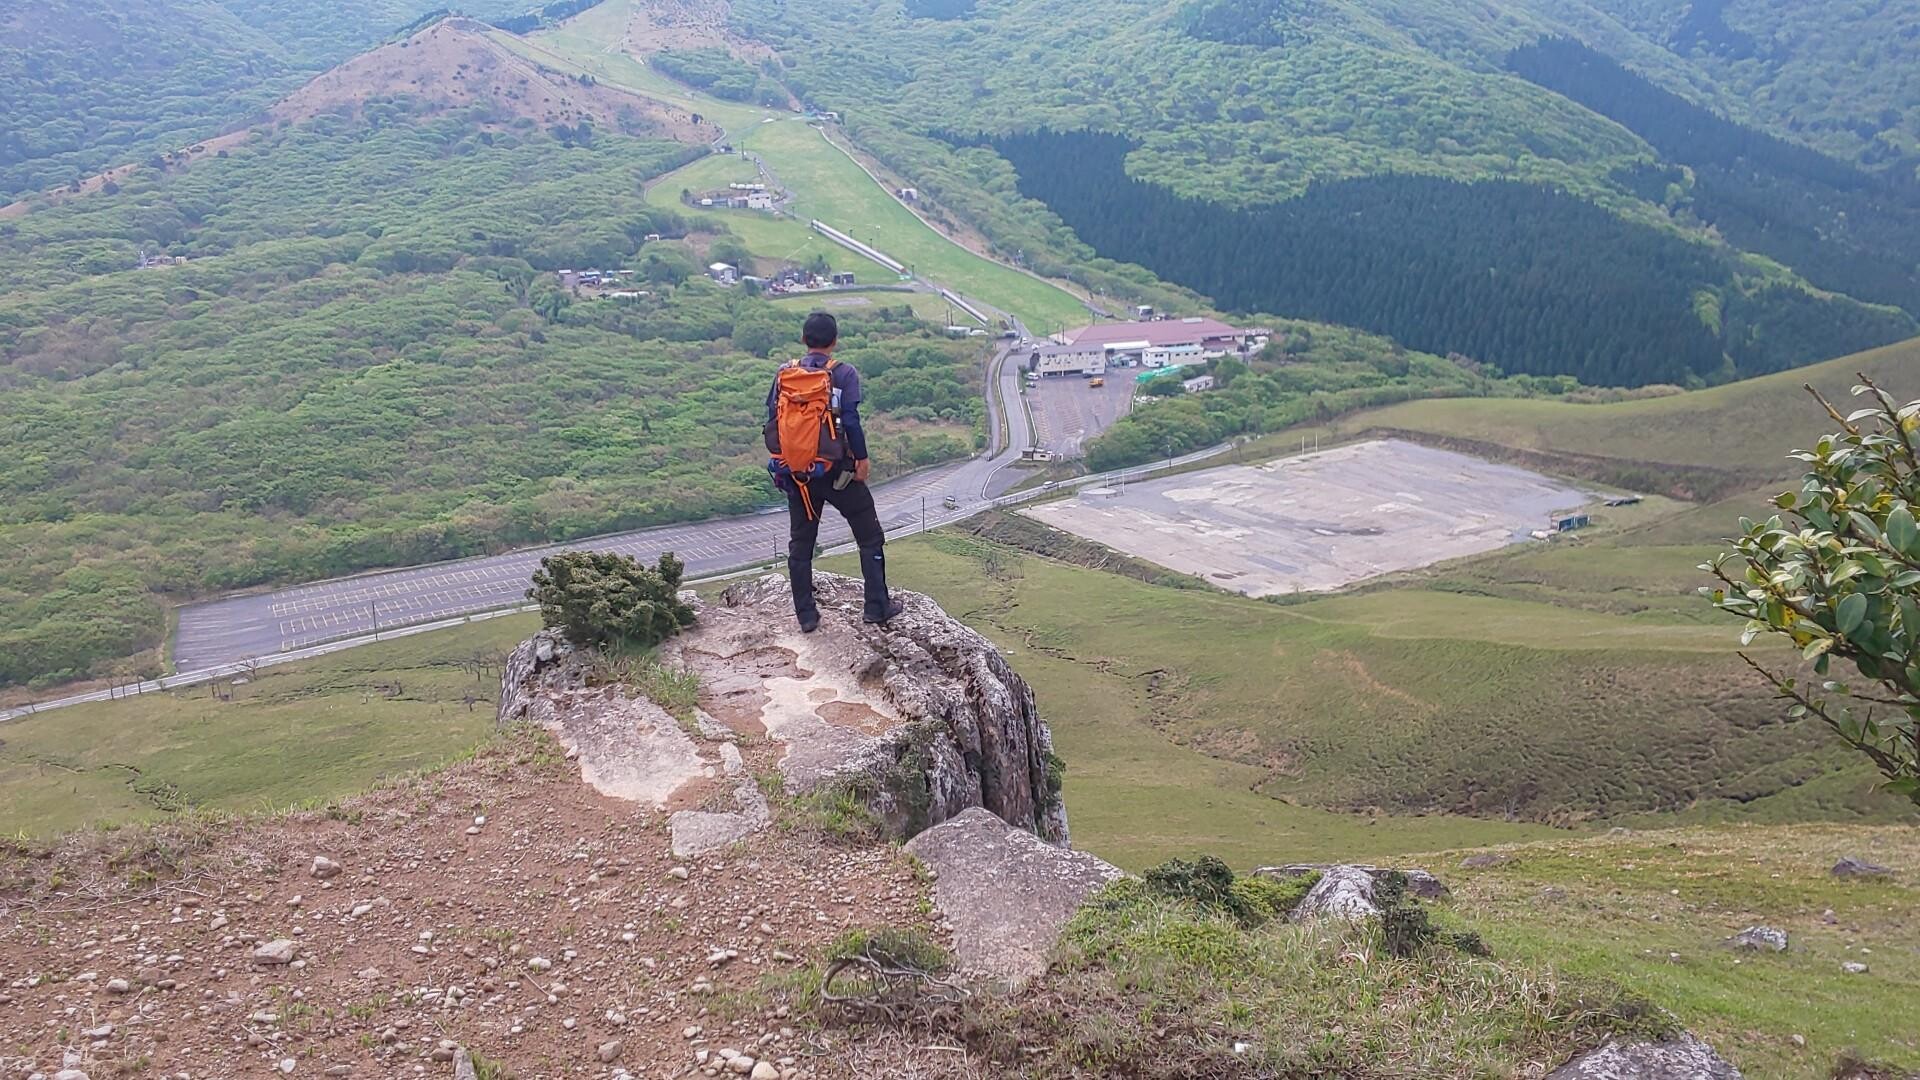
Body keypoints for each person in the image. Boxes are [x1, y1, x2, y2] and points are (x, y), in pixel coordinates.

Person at [765, 312, 903, 632]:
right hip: (838, 473)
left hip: (799, 475)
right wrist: (862, 460)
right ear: (835, 341)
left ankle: (806, 616)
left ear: (803, 340)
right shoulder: (843, 373)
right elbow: (851, 421)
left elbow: (773, 418)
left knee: (801, 544)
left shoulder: (785, 373)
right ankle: (876, 607)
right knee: (869, 536)